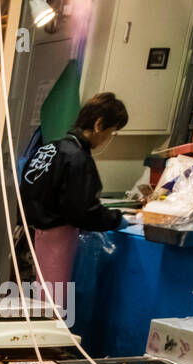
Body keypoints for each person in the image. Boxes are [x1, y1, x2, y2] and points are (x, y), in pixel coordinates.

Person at [17, 92, 128, 288]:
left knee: (38, 296)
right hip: (57, 240)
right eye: (110, 132)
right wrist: (117, 220)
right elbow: (83, 210)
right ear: (98, 124)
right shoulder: (78, 159)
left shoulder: (48, 149)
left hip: (31, 236)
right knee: (54, 302)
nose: (106, 139)